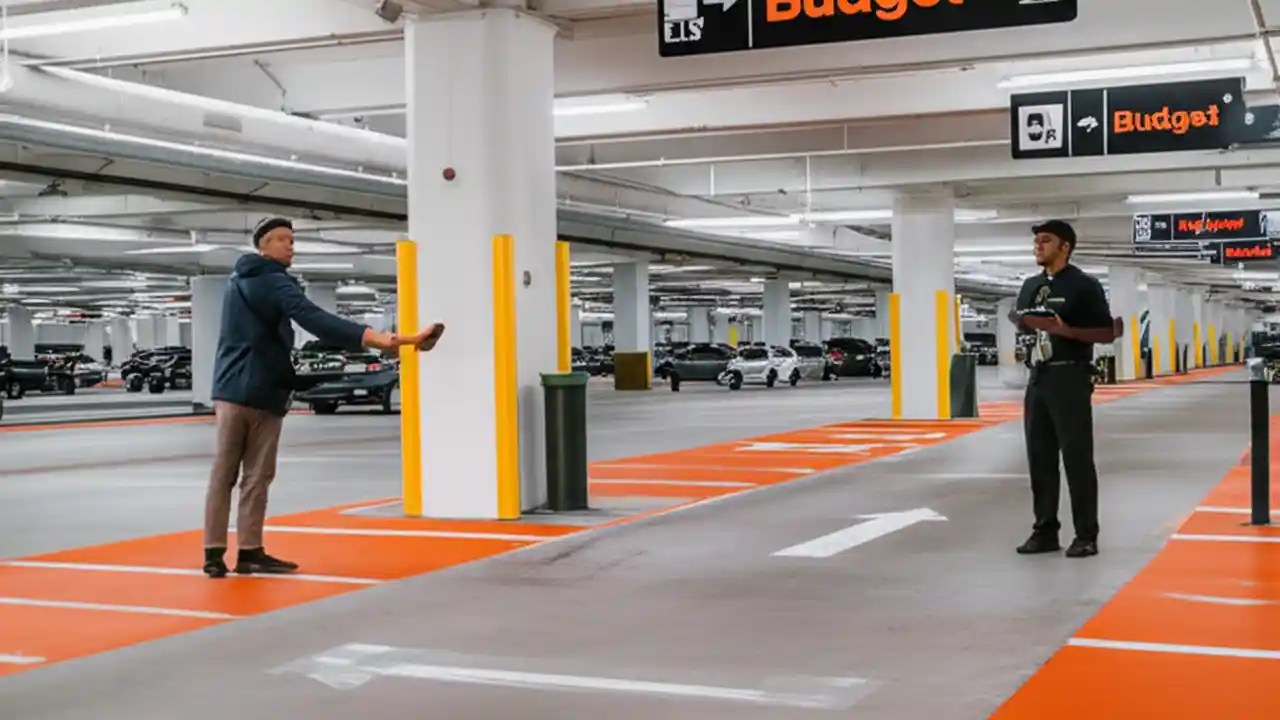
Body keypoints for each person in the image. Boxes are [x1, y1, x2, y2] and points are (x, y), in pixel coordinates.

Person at [202, 216, 444, 578]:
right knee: (254, 476)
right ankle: (247, 550)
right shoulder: (272, 280)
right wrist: (384, 339)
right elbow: (313, 318)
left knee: (228, 474)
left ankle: (218, 553)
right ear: (263, 246)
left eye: (292, 240)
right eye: (282, 239)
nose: (290, 246)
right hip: (261, 392)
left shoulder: (237, 283)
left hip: (232, 389)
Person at [1010, 220, 1121, 559]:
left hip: (1070, 378)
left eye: (1046, 241)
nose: (1038, 246)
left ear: (1065, 247)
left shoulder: (1084, 285)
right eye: (1036, 241)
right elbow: (1023, 320)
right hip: (1038, 377)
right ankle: (1045, 530)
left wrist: (1066, 331)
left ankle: (1086, 534)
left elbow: (1107, 332)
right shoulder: (1029, 285)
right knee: (1039, 458)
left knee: (1076, 458)